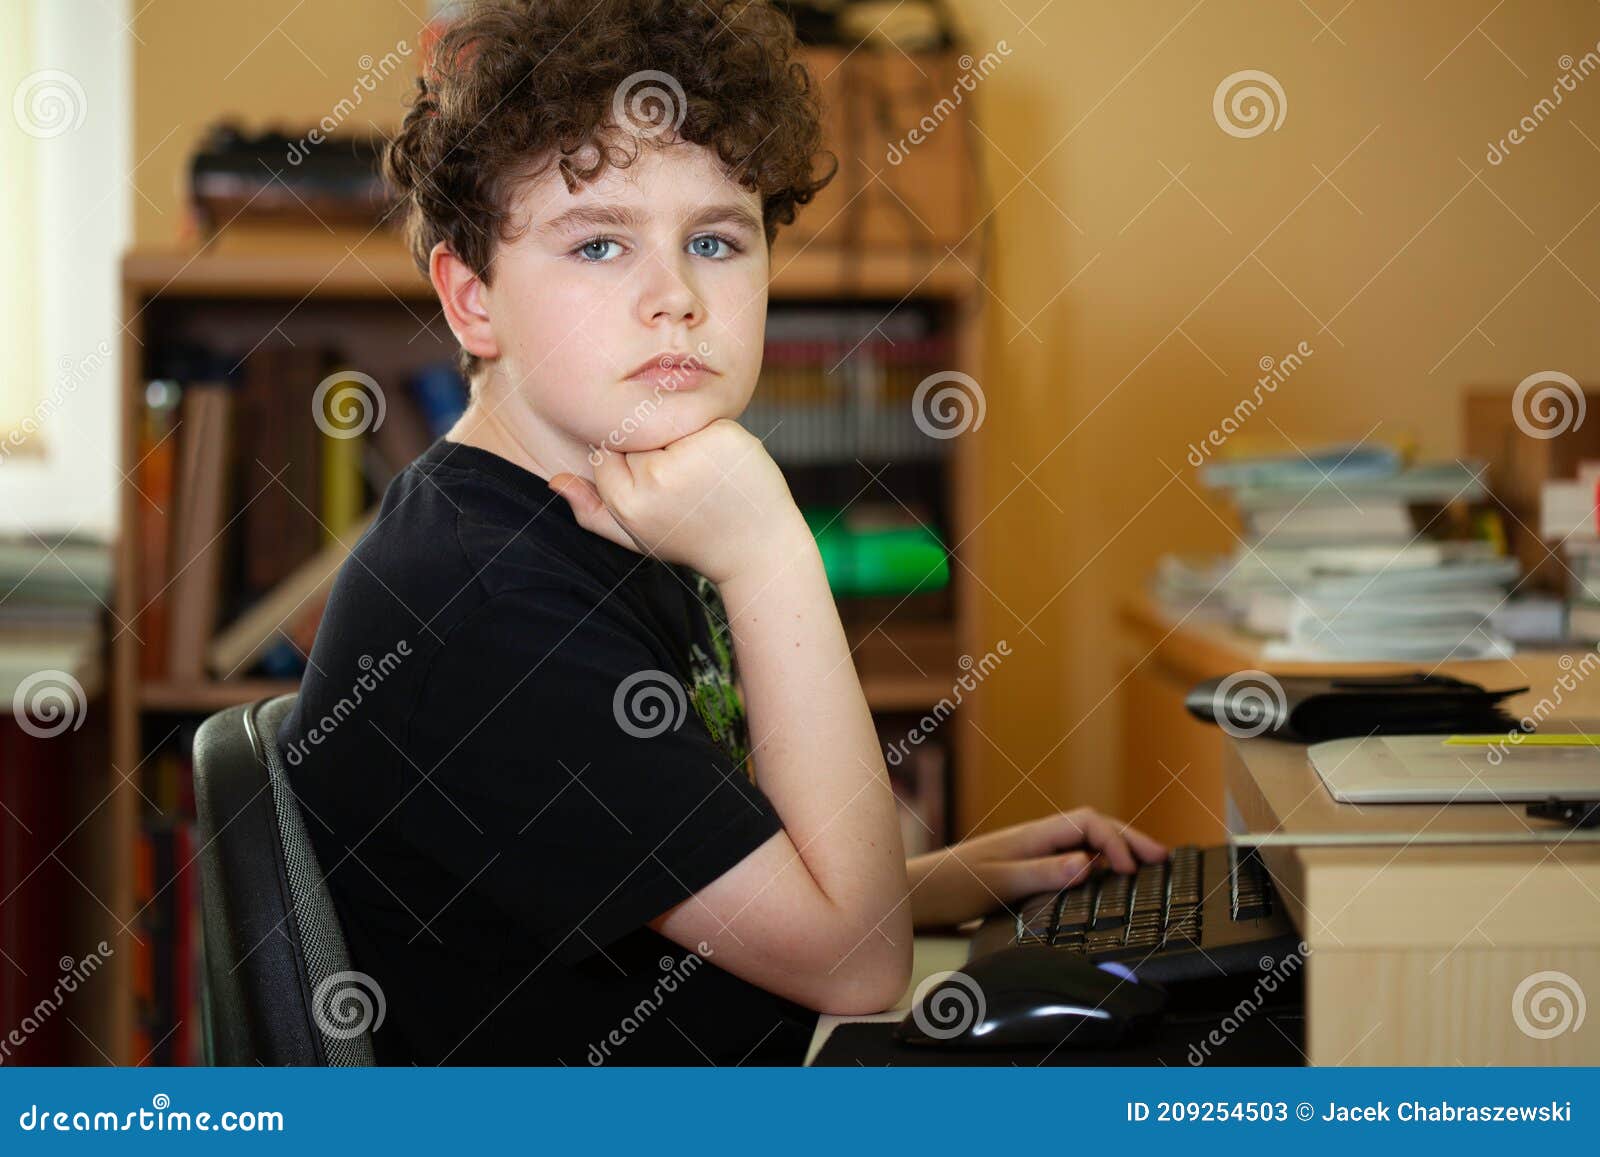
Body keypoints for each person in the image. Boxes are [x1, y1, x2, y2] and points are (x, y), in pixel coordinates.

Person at [278, 0, 1165, 1065]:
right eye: (599, 242)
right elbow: (858, 964)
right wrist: (769, 548)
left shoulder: (597, 517)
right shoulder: (486, 598)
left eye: (715, 239)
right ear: (473, 303)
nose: (678, 298)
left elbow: (679, 886)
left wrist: (940, 880)